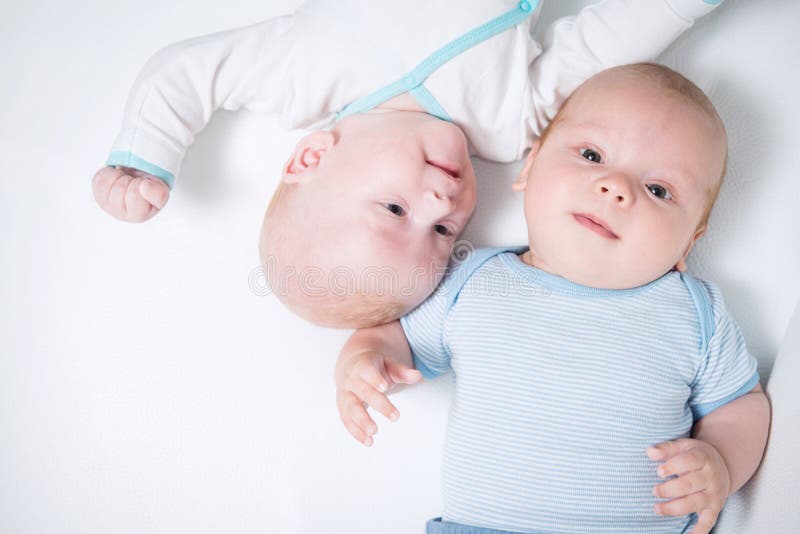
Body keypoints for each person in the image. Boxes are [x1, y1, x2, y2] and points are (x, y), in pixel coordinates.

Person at [92, 0, 726, 328]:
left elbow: (189, 70)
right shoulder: (507, 126)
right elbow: (596, 46)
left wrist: (144, 156)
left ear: (312, 156)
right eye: (444, 233)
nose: (443, 205)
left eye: (395, 209)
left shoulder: (299, 76)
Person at [334, 63, 771, 534]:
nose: (615, 188)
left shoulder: (693, 313)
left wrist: (722, 462)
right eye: (591, 154)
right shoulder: (477, 282)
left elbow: (742, 404)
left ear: (688, 242)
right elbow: (394, 336)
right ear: (530, 165)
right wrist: (366, 360)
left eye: (658, 189)